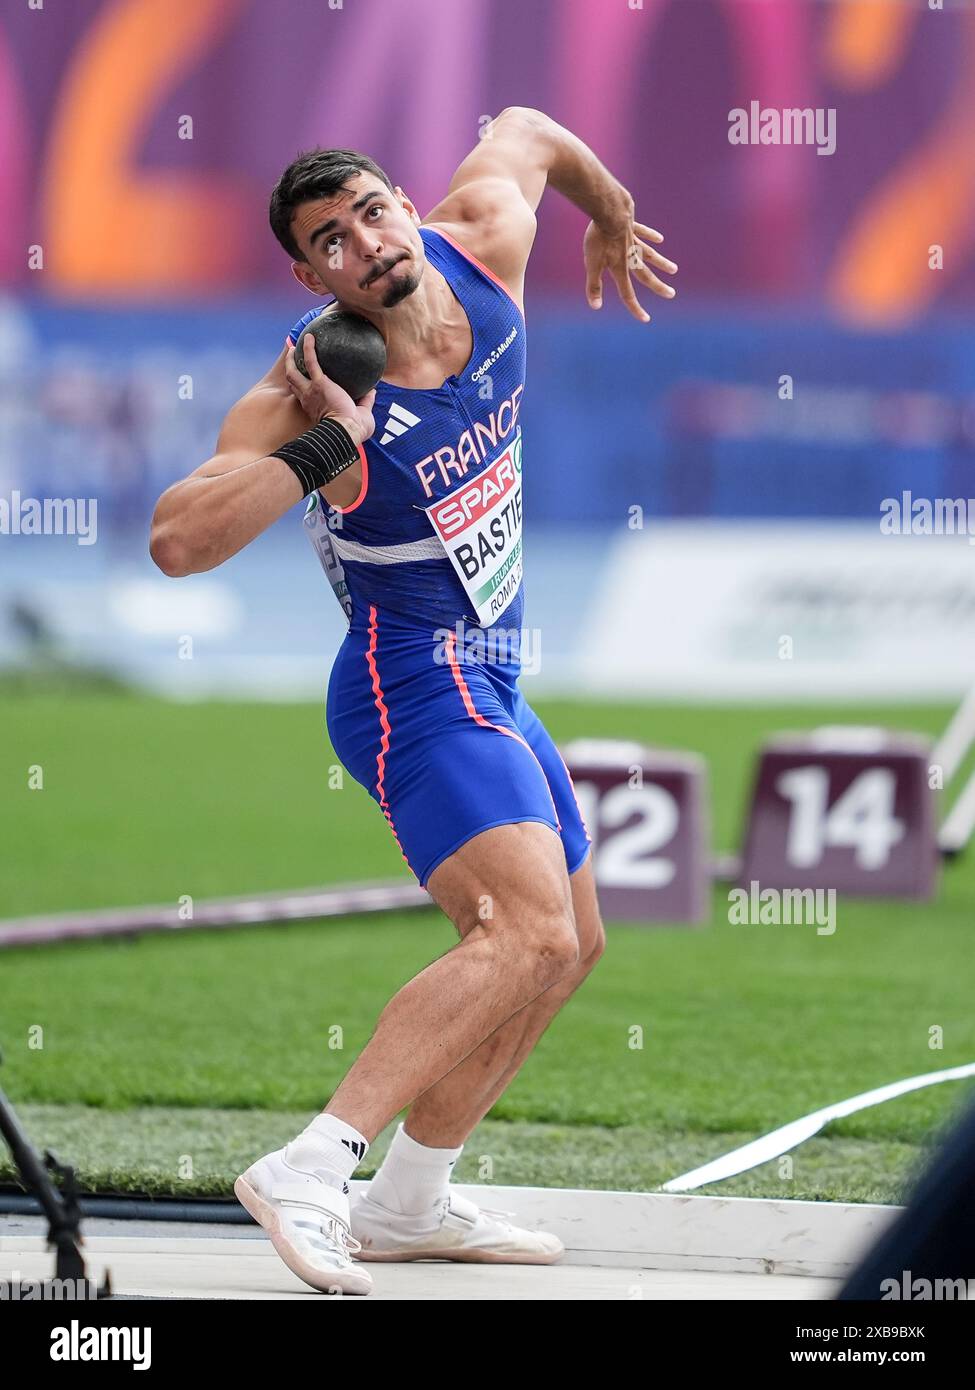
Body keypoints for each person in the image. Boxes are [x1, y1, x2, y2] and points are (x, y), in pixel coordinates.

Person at [150, 106, 678, 1295]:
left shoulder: (485, 238)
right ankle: (312, 1166)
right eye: (329, 241)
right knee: (524, 932)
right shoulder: (313, 381)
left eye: (371, 212)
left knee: (571, 945)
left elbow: (533, 131)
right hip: (409, 678)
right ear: (309, 274)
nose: (364, 245)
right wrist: (320, 456)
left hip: (493, 668)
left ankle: (409, 1201)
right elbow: (177, 540)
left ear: (406, 206)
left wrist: (612, 215)